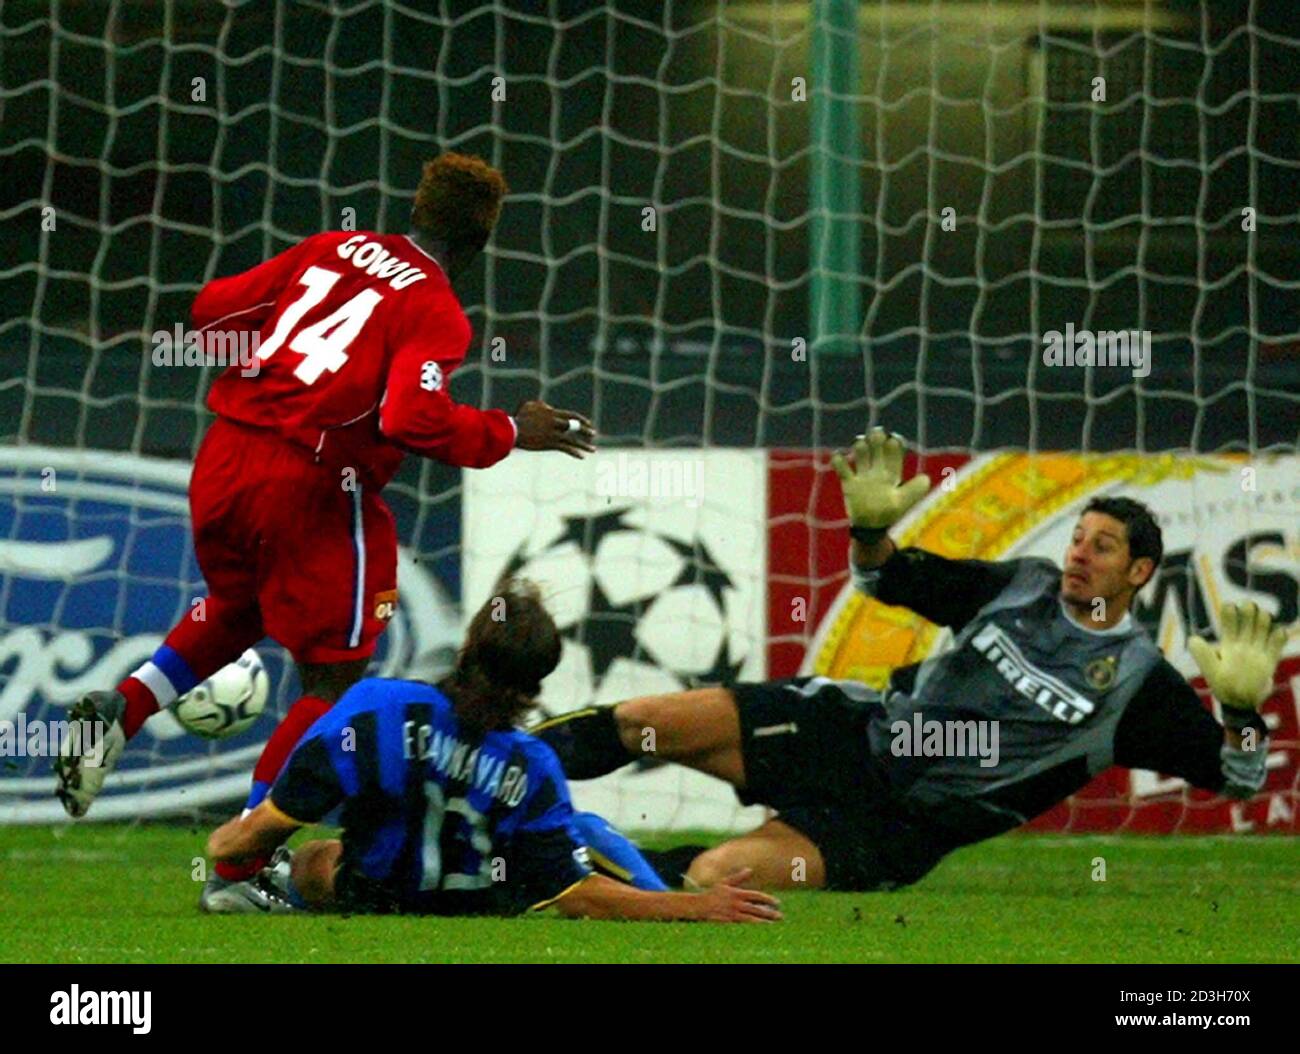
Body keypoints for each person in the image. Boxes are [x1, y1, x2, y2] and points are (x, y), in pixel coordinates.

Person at [55, 153, 596, 913]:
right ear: (482, 240)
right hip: (309, 482)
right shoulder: (436, 308)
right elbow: (411, 419)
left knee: (240, 603)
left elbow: (212, 310)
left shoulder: (328, 248)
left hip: (223, 456)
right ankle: (242, 871)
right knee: (333, 680)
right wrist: (512, 427)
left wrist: (287, 355)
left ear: (416, 206)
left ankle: (128, 707)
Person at [534, 429, 1286, 892]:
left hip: (896, 831)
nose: (1079, 554)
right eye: (1079, 537)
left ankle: (550, 872)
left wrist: (1243, 714)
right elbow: (883, 576)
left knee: (713, 877)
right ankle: (492, 770)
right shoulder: (1019, 585)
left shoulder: (1137, 687)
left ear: (1140, 574)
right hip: (847, 731)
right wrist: (869, 530)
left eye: (1103, 546)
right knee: (642, 721)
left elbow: (1241, 777)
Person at [206, 582, 782, 923]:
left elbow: (261, 827)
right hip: (483, 903)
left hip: (375, 895)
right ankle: (662, 886)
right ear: (538, 683)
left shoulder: (376, 707)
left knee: (315, 857)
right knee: (584, 829)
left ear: (467, 647)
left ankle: (275, 889)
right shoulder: (534, 767)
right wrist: (695, 909)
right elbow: (576, 894)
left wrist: (227, 847)